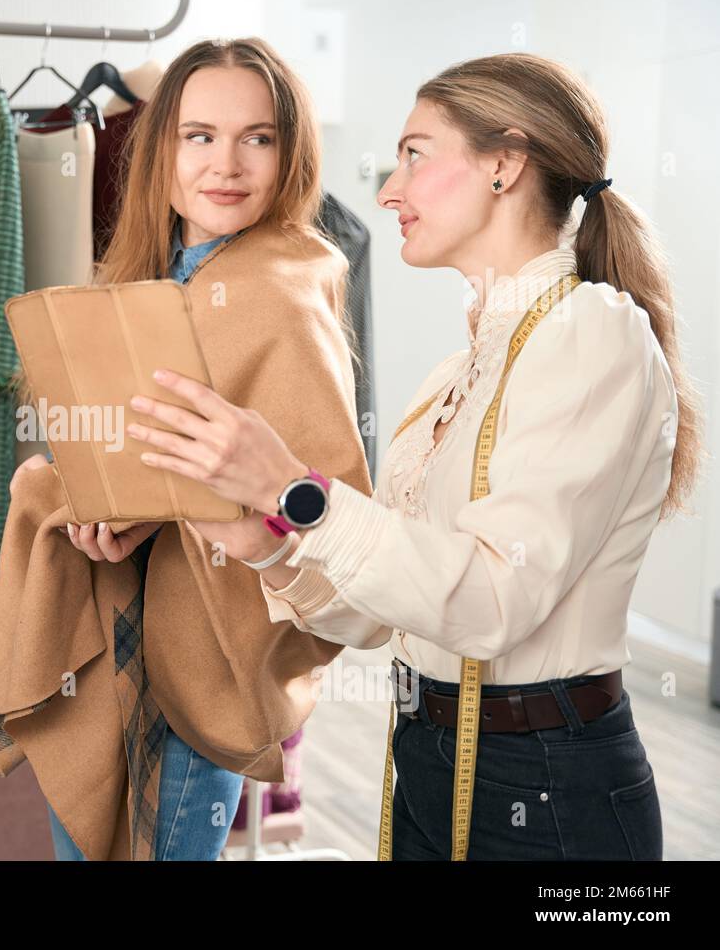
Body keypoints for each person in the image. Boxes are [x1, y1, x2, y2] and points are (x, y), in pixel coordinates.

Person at [128, 52, 702, 860]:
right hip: (429, 752)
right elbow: (385, 610)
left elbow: (492, 605)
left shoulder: (591, 334)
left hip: (543, 786)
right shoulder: (462, 367)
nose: (388, 191)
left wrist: (299, 491)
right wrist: (268, 543)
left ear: (503, 164)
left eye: (414, 154)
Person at [0, 38, 370, 861]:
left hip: (199, 662)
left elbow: (332, 517)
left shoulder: (283, 296)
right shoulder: (145, 276)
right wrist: (95, 502)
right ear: (162, 152)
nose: (226, 163)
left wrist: (192, 515)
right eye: (200, 136)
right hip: (111, 623)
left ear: (289, 153)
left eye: (257, 137)